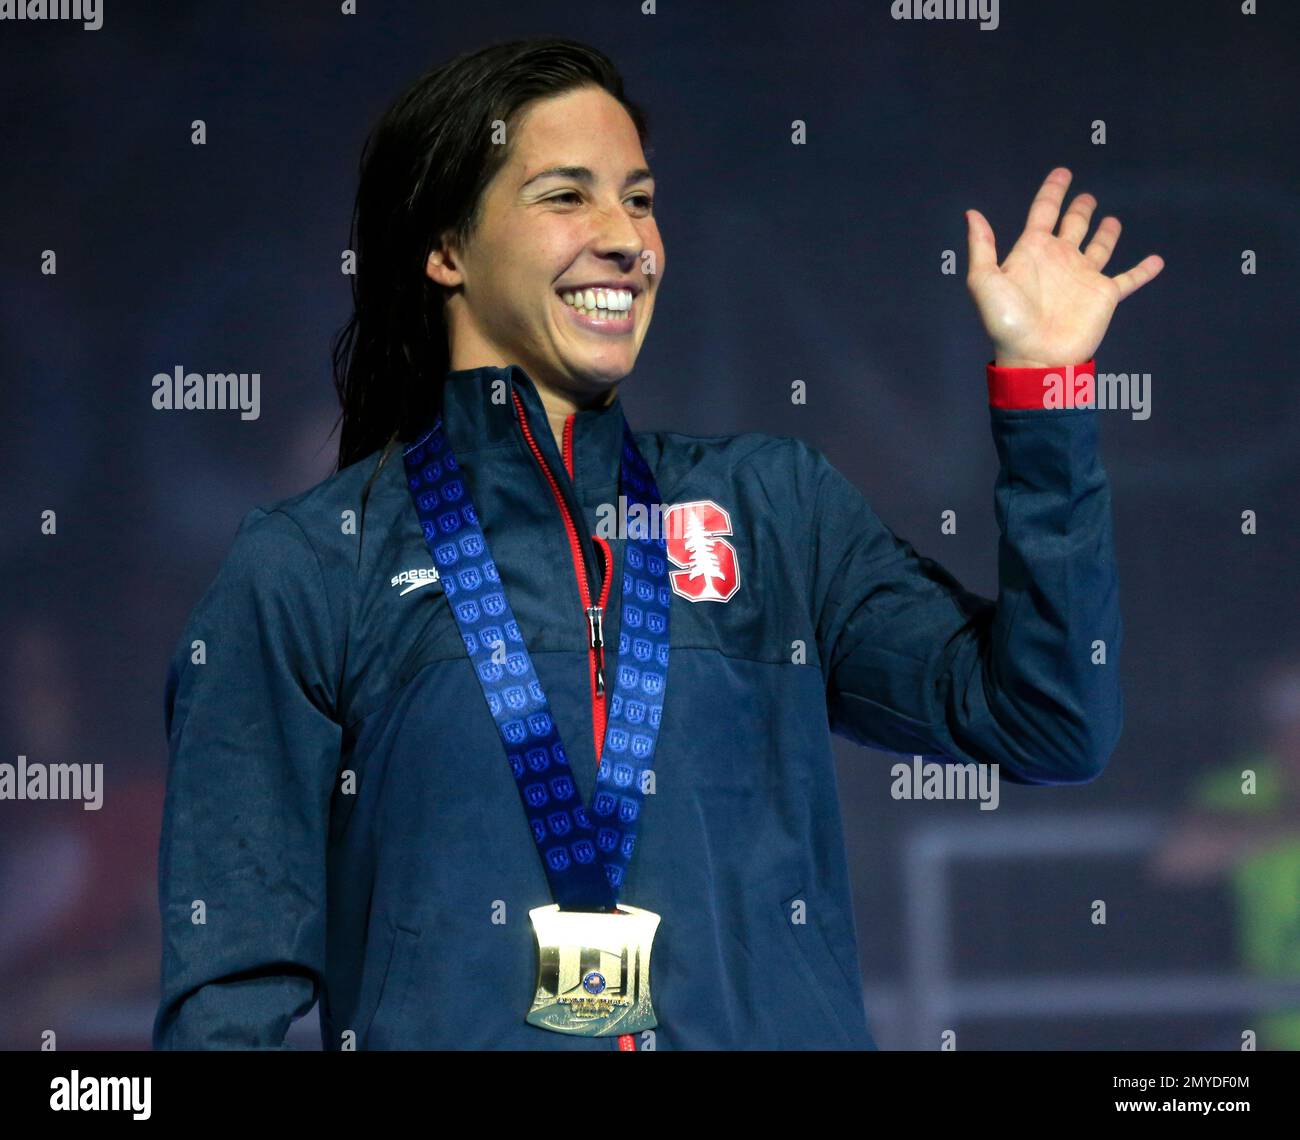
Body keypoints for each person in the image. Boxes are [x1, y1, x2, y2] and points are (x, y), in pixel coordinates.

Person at [153, 36, 1163, 1050]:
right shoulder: (312, 566)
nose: (626, 239)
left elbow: (1050, 723)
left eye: (638, 200)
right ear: (446, 248)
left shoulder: (775, 511)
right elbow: (227, 1000)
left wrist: (1044, 394)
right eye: (567, 197)